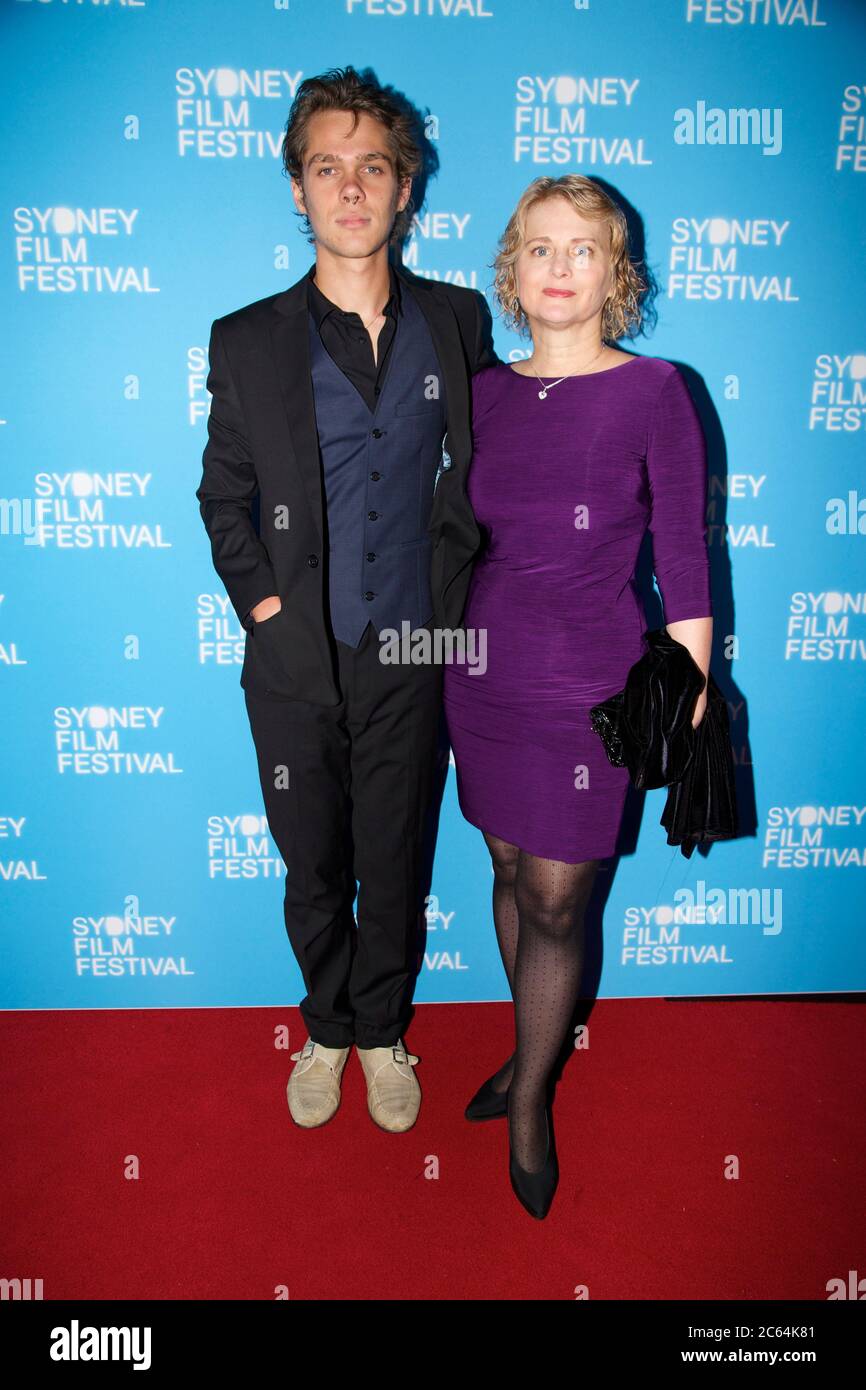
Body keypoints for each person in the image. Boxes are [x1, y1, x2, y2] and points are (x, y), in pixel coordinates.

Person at [196, 67, 496, 1135]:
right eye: (326, 168)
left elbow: (491, 470)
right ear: (296, 190)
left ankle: (381, 1030)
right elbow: (221, 490)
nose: (350, 188)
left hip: (412, 645)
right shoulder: (246, 339)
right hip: (292, 659)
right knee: (311, 858)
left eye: (373, 167)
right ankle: (326, 1026)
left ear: (405, 188)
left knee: (394, 856)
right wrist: (267, 615)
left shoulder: (457, 324)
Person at [443, 175, 713, 1218]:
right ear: (511, 269)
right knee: (508, 867)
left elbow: (683, 560)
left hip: (591, 686)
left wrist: (688, 688)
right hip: (481, 675)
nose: (558, 268)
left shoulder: (654, 390)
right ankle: (525, 1050)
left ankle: (529, 1098)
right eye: (538, 248)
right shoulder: (478, 391)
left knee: (558, 898)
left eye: (581, 249)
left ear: (616, 271)